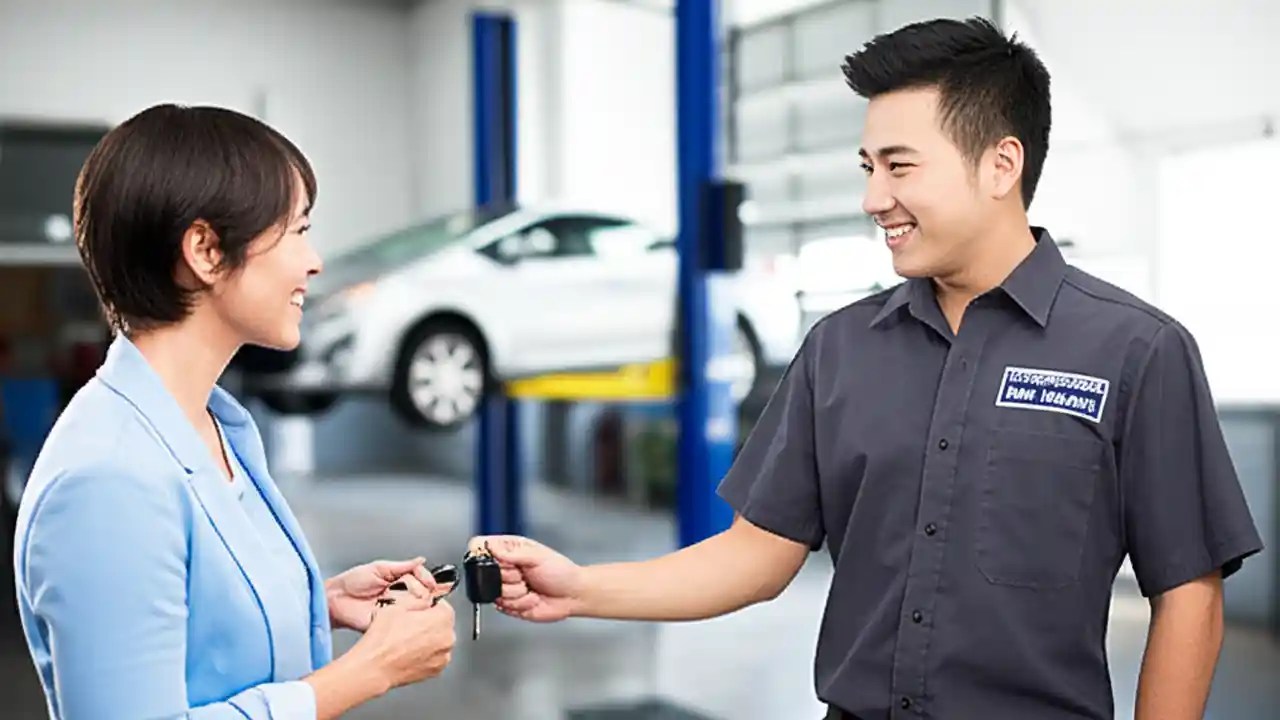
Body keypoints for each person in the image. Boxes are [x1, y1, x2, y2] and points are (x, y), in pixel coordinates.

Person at [470, 16, 1265, 720]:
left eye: (899, 166)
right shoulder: (840, 349)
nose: (872, 197)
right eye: (865, 167)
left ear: (1000, 165)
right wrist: (581, 588)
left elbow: (1188, 595)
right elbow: (755, 555)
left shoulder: (1136, 351)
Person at [12, 104, 457, 720]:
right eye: (298, 230)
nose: (315, 260)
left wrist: (311, 603)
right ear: (206, 251)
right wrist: (371, 669)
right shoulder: (107, 482)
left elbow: (179, 625)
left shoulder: (211, 425)